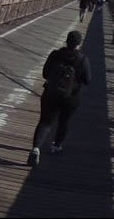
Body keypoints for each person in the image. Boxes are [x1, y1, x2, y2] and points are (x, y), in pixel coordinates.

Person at [28, 29, 91, 167]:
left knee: (45, 121)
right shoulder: (82, 59)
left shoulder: (55, 55)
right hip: (71, 97)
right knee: (64, 121)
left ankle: (36, 148)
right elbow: (87, 80)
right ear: (79, 43)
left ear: (66, 41)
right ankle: (56, 146)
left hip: (50, 93)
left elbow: (45, 74)